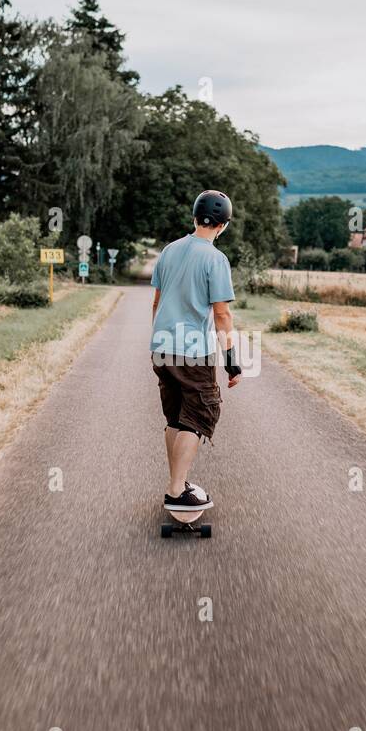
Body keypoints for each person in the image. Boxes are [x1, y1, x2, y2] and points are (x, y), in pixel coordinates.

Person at [150, 190, 242, 513]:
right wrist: (232, 362)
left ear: (194, 217)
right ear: (223, 226)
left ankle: (177, 482)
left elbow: (157, 303)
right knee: (200, 413)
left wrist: (159, 340)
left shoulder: (169, 251)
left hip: (161, 347)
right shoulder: (215, 259)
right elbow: (222, 316)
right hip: (193, 352)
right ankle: (176, 490)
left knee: (175, 416)